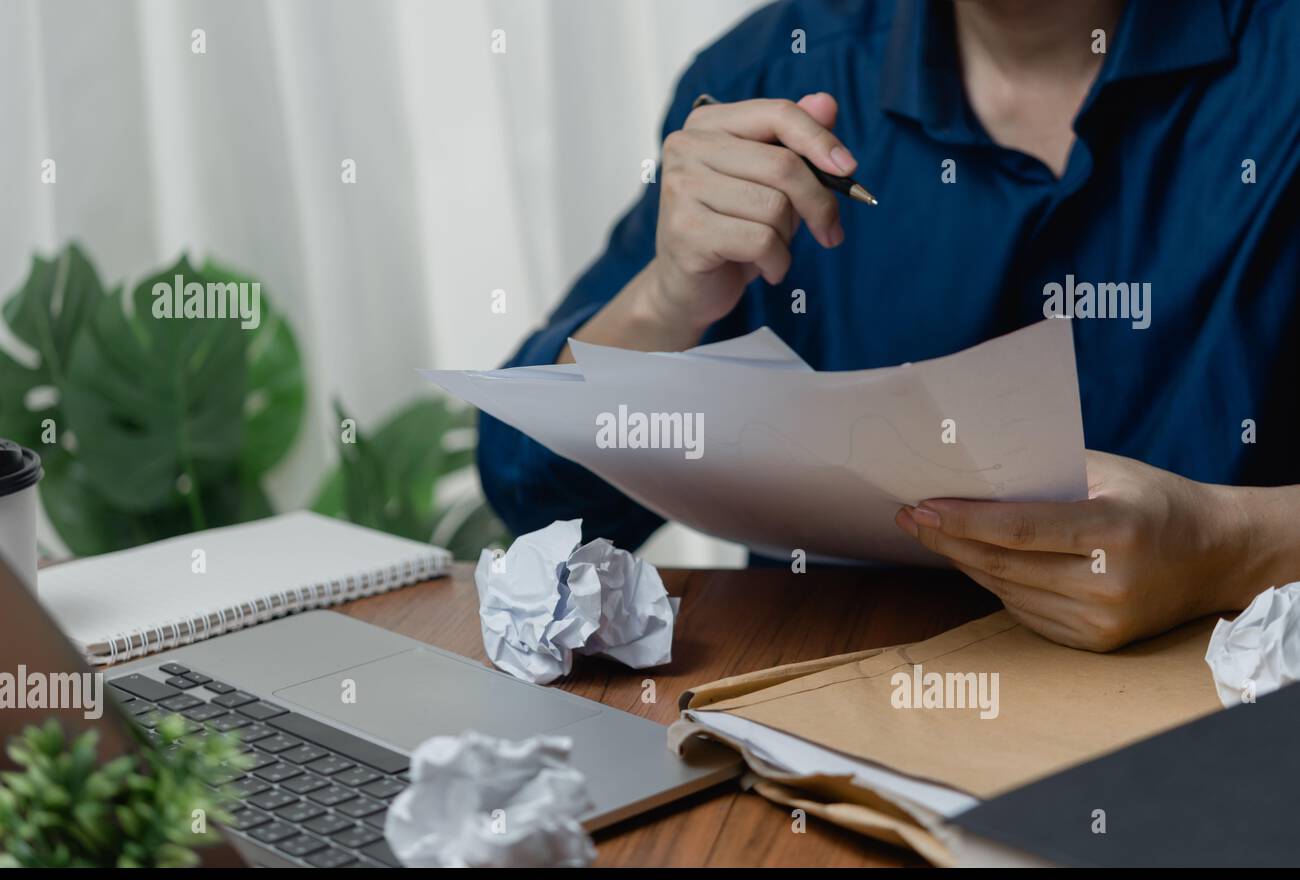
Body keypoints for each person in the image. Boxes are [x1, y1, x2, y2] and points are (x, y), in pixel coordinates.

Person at [478, 0, 1300, 652]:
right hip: (827, 735)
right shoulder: (770, 73)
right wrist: (663, 304)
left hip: (1227, 729)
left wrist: (1226, 548)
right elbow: (534, 489)